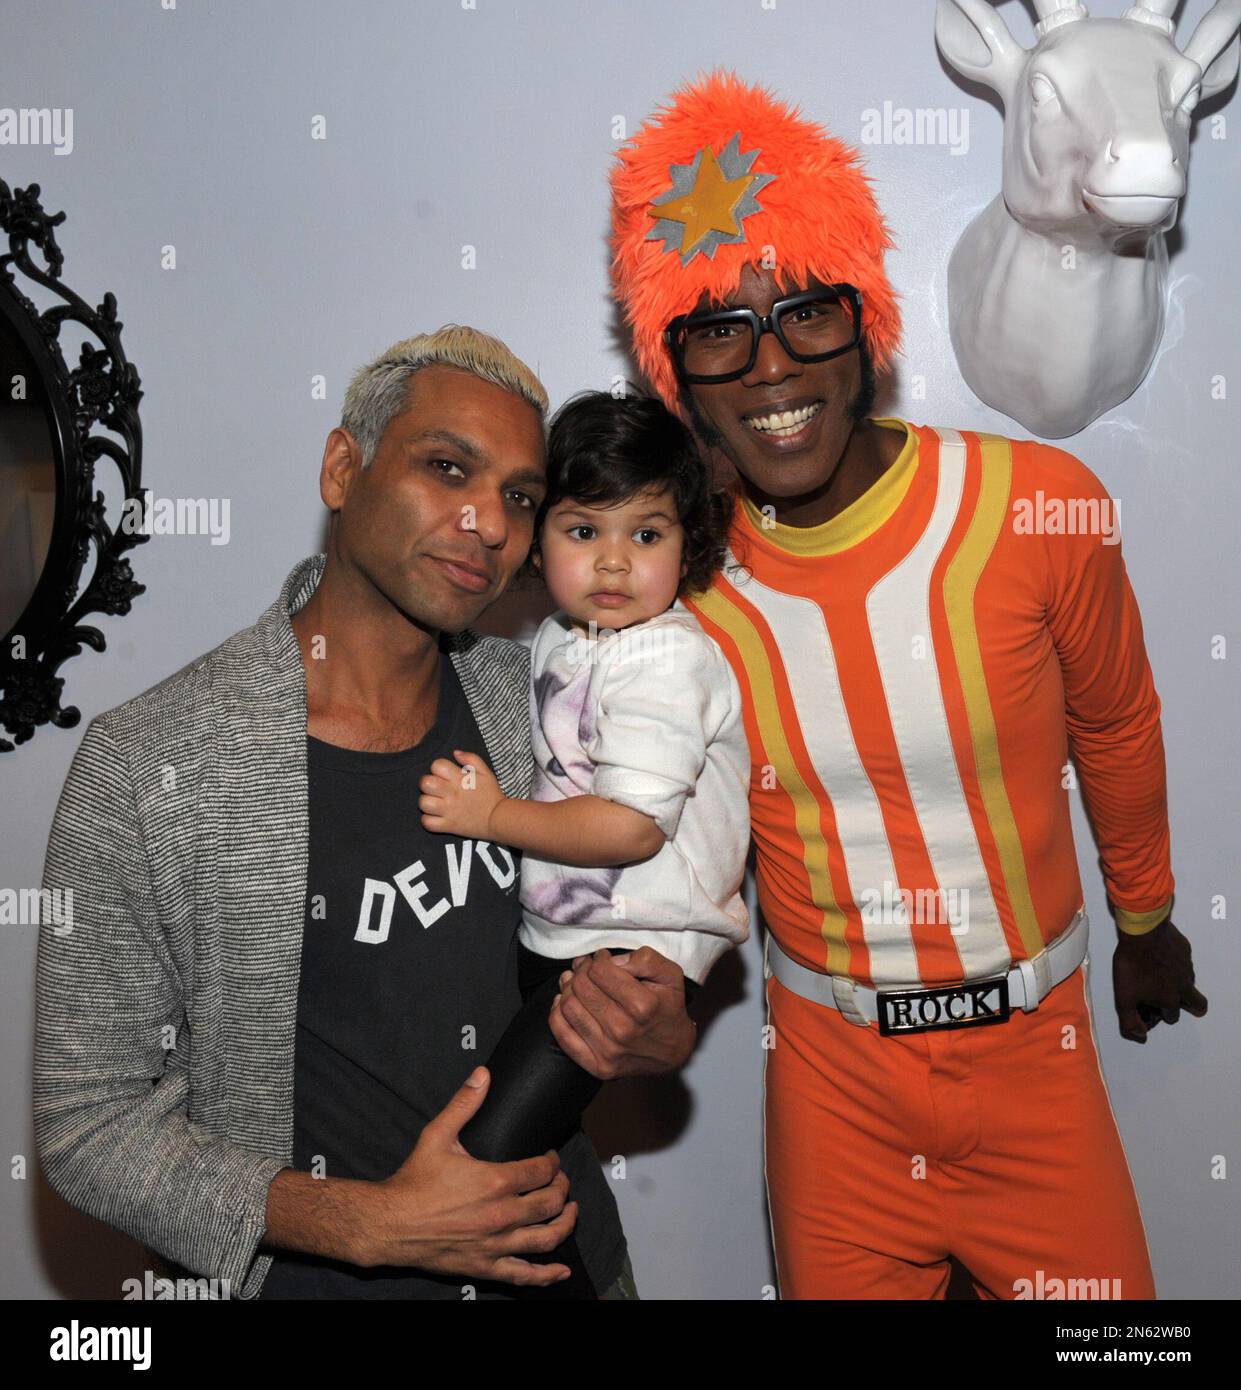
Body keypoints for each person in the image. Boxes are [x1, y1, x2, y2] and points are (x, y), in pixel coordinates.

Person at [607, 70, 1208, 1300]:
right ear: (673, 364)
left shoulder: (1037, 509)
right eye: (719, 326)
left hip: (1037, 1062)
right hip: (832, 1087)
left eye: (807, 313)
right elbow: (664, 817)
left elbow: (1114, 721)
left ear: (864, 323)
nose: (771, 368)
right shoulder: (677, 584)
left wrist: (1141, 920)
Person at [34, 326, 698, 1300]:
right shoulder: (155, 761)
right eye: (445, 468)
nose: (486, 523)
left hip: (563, 1271)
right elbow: (88, 1124)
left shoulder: (551, 715)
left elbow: (653, 956)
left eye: (518, 496)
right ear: (342, 468)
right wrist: (369, 1224)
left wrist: (660, 1031)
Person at [418, 390, 751, 1295]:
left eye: (645, 535)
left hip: (631, 954)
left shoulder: (665, 658)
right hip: (557, 941)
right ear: (537, 539)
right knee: (525, 1169)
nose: (613, 563)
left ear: (690, 542)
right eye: (580, 531)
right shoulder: (564, 639)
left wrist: (490, 817)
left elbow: (628, 826)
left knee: (487, 1157)